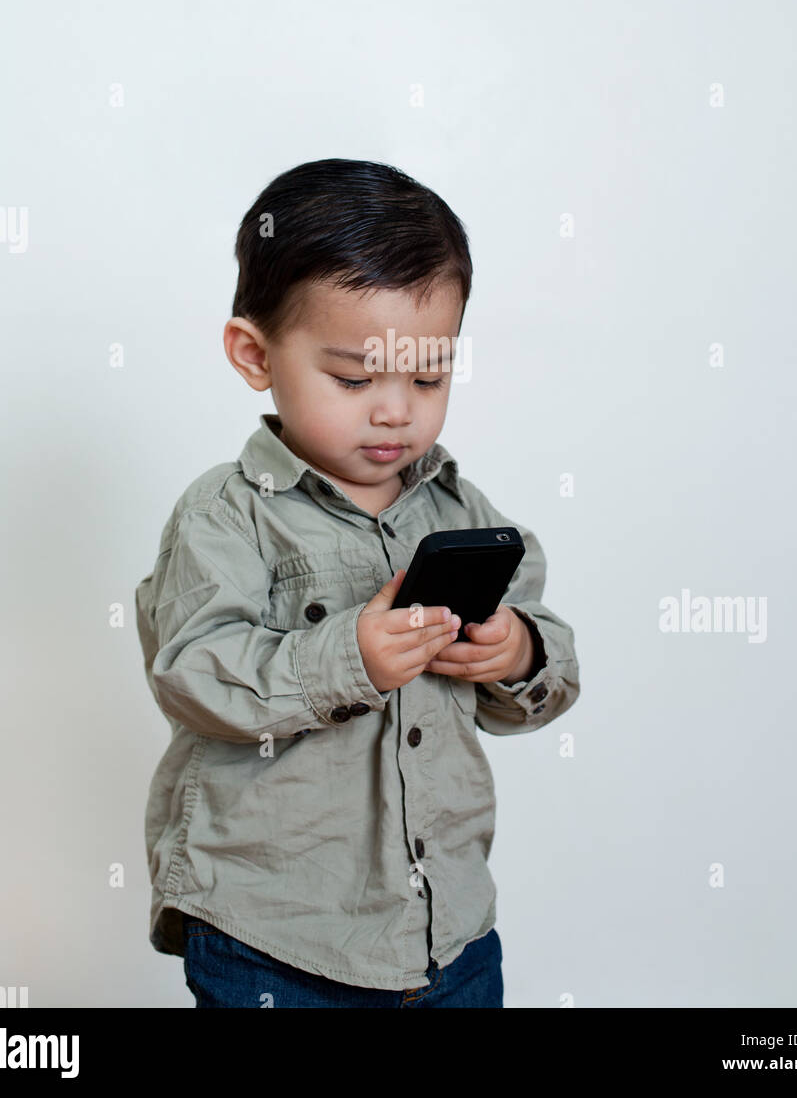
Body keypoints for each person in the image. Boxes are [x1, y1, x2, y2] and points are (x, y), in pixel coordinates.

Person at [134, 158, 581, 1008]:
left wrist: (512, 651)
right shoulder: (225, 515)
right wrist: (353, 659)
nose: (395, 410)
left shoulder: (460, 509)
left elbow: (544, 673)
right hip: (276, 935)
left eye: (428, 376)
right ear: (253, 353)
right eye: (353, 378)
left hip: (444, 928)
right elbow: (193, 675)